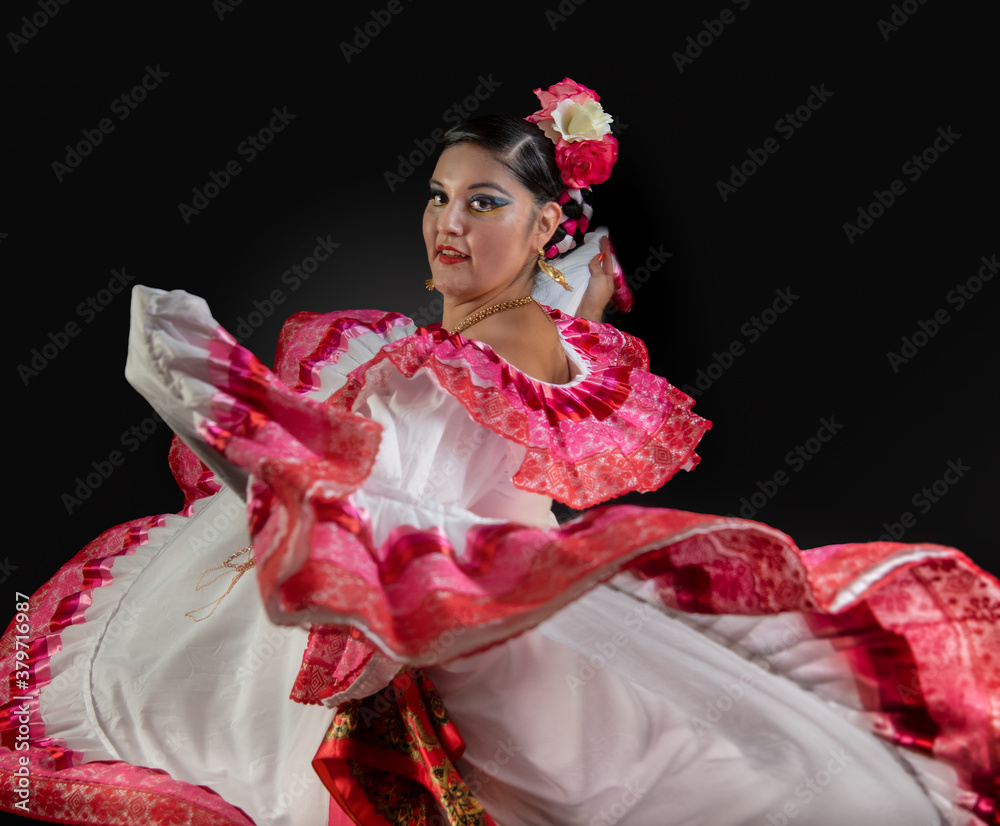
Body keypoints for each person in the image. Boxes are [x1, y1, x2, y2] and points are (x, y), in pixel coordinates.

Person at [0, 78, 996, 826]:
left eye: (484, 203)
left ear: (542, 223)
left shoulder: (508, 341)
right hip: (427, 567)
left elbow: (397, 467)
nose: (448, 223)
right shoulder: (486, 328)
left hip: (451, 592)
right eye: (441, 197)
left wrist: (241, 417)